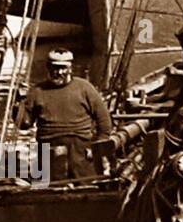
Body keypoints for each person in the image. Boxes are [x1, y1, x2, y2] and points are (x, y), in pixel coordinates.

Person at [15, 48, 113, 181]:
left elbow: (104, 122)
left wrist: (97, 149)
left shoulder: (85, 88)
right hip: (48, 151)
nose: (59, 72)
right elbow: (23, 124)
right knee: (47, 190)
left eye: (63, 68)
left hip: (80, 151)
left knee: (87, 186)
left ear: (70, 68)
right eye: (54, 68)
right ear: (48, 68)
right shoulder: (37, 92)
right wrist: (18, 103)